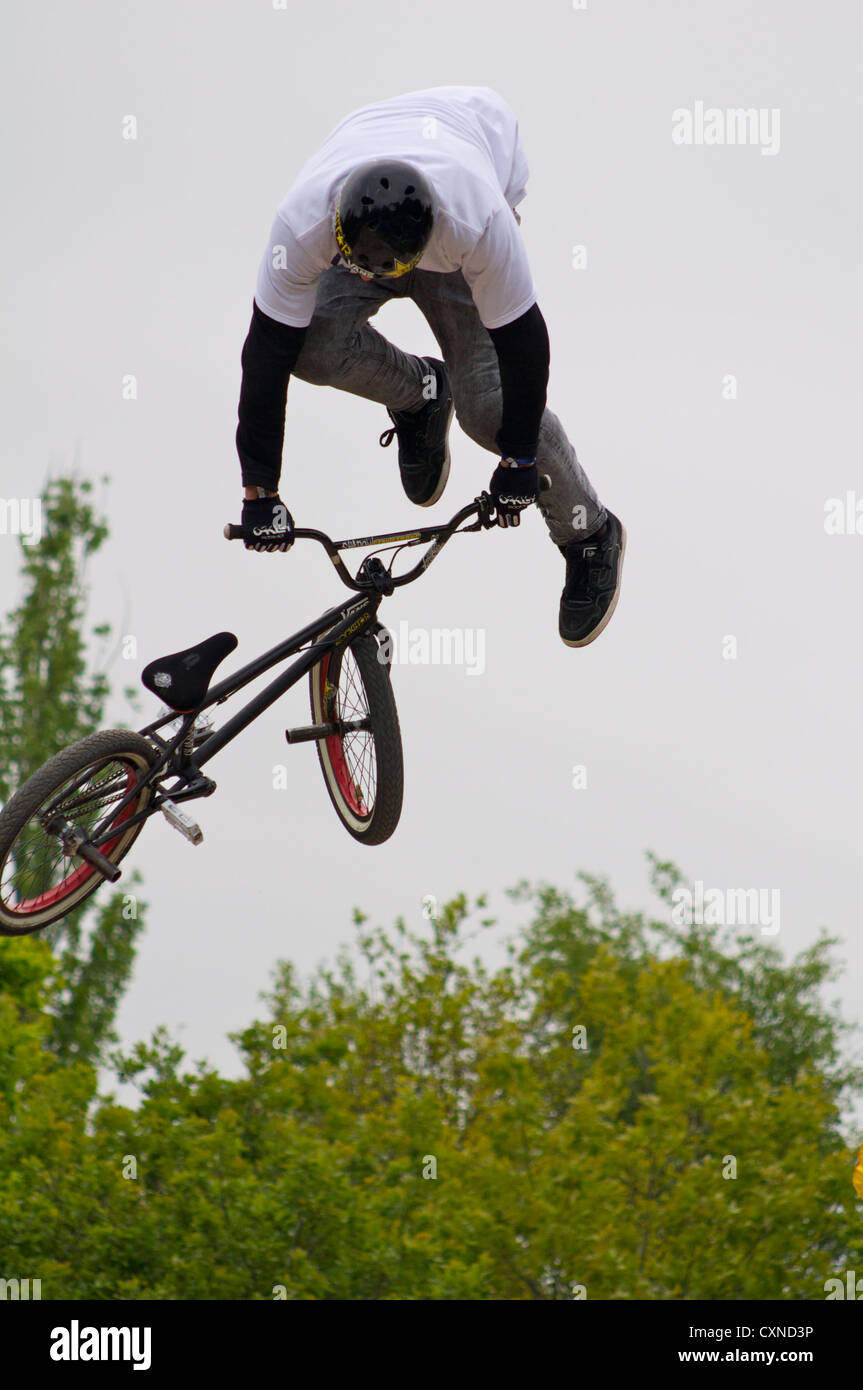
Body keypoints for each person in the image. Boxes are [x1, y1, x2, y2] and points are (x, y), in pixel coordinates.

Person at [236, 85, 624, 646]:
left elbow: (525, 345)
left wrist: (517, 459)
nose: (376, 278)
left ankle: (590, 533)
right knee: (307, 348)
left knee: (489, 409)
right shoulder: (301, 226)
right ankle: (419, 395)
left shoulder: (480, 222)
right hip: (367, 146)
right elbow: (264, 357)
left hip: (470, 169)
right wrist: (260, 493)